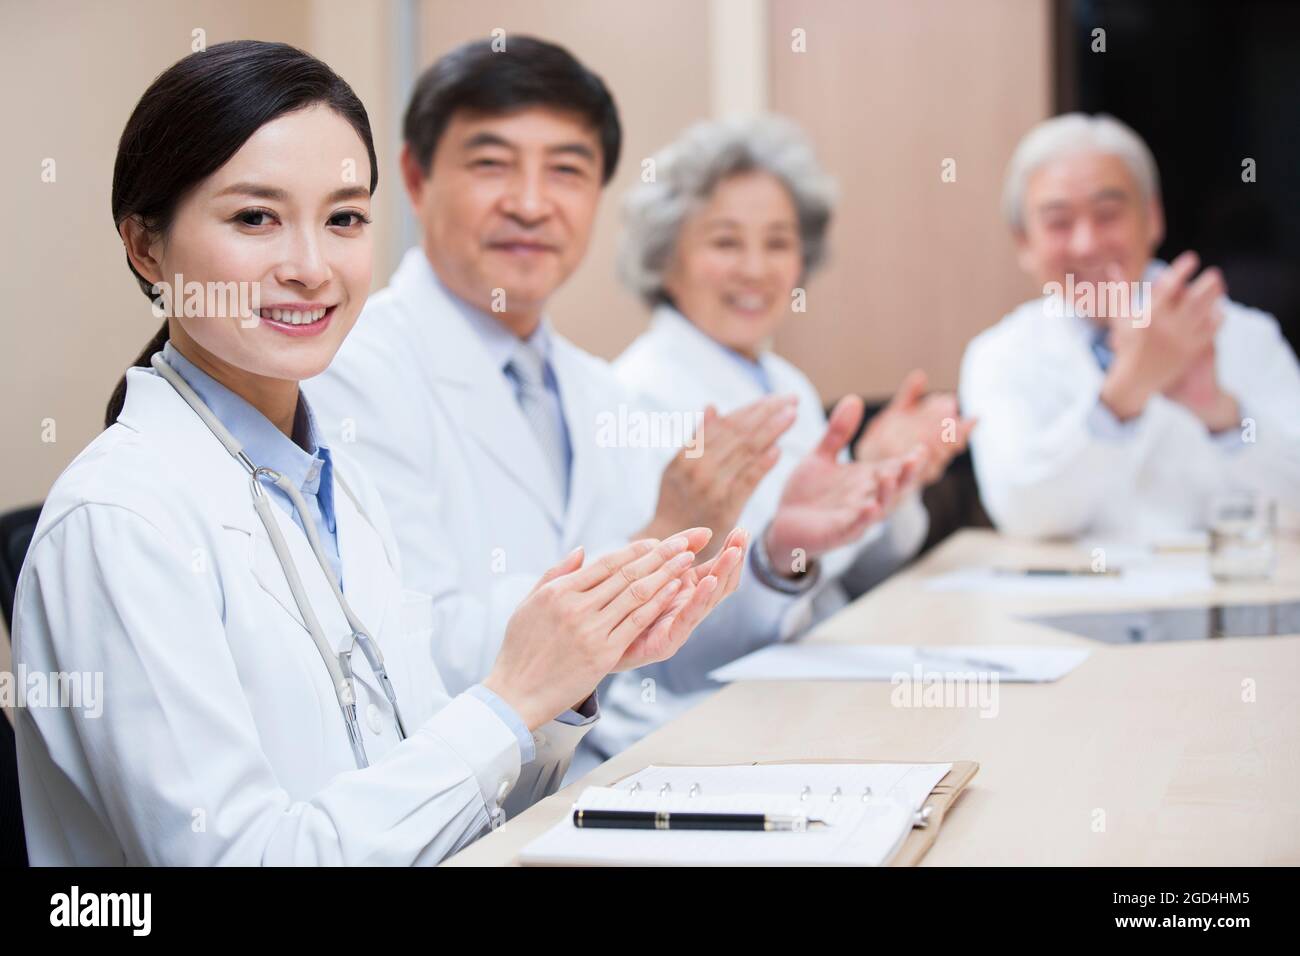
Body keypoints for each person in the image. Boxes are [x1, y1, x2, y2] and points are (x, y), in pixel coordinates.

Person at [12, 40, 743, 866]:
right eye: (255, 218)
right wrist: (510, 696)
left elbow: (453, 812)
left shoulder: (338, 483)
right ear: (147, 248)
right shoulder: (118, 521)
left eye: (344, 219)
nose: (311, 268)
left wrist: (567, 680)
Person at [307, 37, 908, 775]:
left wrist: (783, 548)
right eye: (492, 163)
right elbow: (416, 655)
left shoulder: (598, 391)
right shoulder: (350, 371)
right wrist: (656, 538)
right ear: (415, 177)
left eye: (566, 169)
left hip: (602, 779)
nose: (530, 203)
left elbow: (660, 667)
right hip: (461, 814)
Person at [614, 115, 975, 624]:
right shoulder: (634, 395)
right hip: (708, 697)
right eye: (726, 242)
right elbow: (663, 633)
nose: (757, 269)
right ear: (664, 260)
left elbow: (851, 579)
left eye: (779, 243)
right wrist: (779, 554)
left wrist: (881, 477)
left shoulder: (786, 384)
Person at [961, 113, 1300, 539]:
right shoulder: (1000, 355)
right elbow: (1023, 516)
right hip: (1073, 601)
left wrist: (1222, 415)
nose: (1086, 244)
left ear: (1153, 217)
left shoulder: (1243, 335)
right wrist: (1120, 400)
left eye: (1107, 214)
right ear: (1024, 243)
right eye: (1059, 223)